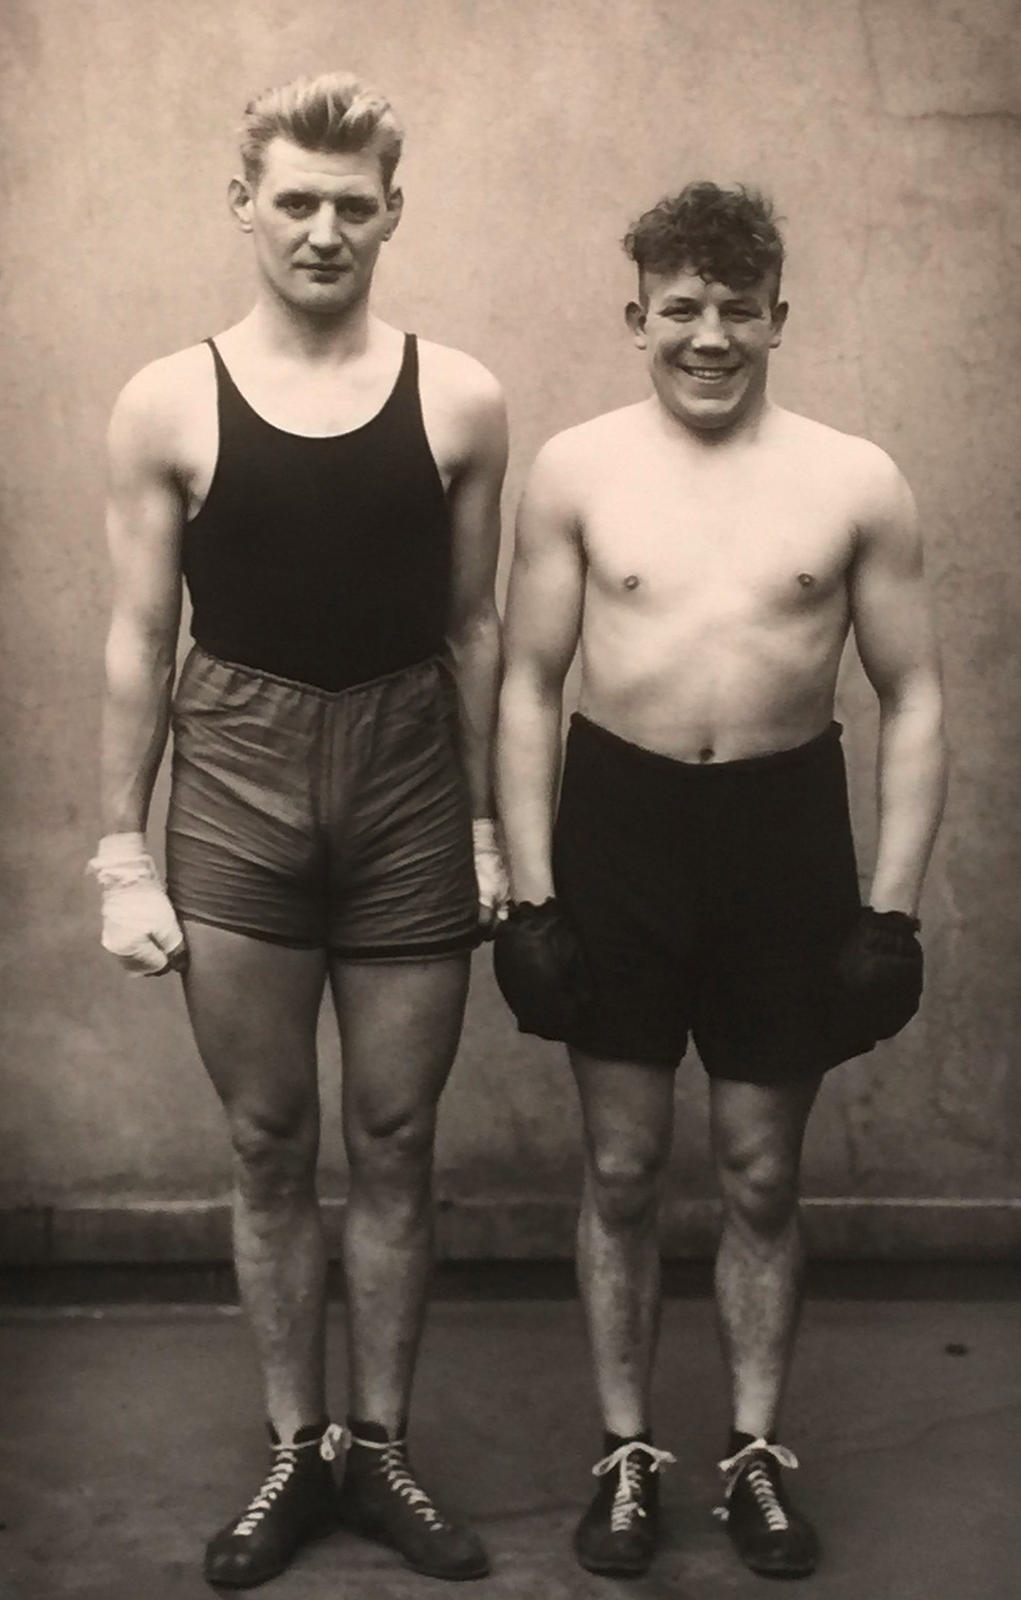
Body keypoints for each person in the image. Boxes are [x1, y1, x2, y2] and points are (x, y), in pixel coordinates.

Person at [90, 72, 508, 1589]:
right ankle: (293, 1448)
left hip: (405, 776)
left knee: (394, 1137)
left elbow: (474, 625)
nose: (324, 229)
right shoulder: (168, 398)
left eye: (353, 205)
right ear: (244, 206)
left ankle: (377, 1447)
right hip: (242, 775)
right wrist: (119, 849)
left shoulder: (458, 396)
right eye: (296, 201)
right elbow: (140, 638)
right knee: (270, 1139)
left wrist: (488, 828)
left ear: (391, 212)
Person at [495, 182, 946, 1580]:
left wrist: (888, 906)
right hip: (618, 829)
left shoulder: (852, 478)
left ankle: (752, 1454)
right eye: (678, 307)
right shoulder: (573, 470)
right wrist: (527, 891)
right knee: (622, 1166)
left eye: (735, 309)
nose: (707, 336)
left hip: (779, 836)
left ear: (777, 319)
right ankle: (626, 1456)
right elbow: (523, 682)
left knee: (758, 1172)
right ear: (636, 315)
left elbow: (913, 692)